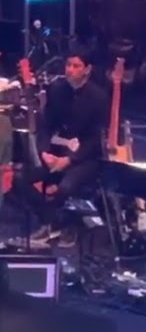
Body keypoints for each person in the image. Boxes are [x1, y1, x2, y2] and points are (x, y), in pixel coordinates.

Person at [24, 48, 108, 247]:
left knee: (67, 186)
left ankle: (67, 225)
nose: (70, 70)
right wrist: (44, 152)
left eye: (76, 66)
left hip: (85, 158)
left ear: (87, 70)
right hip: (56, 152)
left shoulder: (99, 98)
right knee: (22, 179)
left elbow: (96, 140)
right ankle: (49, 221)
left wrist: (70, 160)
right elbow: (46, 125)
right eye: (68, 65)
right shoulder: (57, 90)